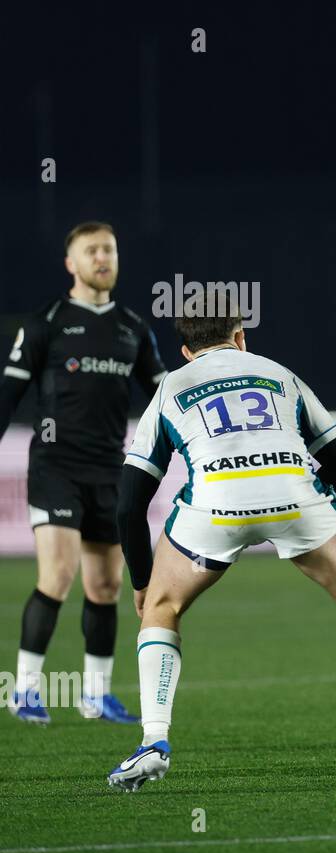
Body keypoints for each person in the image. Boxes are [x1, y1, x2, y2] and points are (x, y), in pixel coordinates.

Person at [106, 296, 336, 790]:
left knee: (161, 612)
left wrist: (143, 583)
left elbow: (129, 502)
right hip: (295, 494)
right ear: (241, 337)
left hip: (213, 507)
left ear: (188, 351)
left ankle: (153, 742)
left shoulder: (172, 385)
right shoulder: (279, 373)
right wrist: (300, 508)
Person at [1, 222, 167, 725]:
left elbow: (164, 397)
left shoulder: (133, 329)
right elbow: (7, 399)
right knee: (58, 575)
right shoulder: (45, 323)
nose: (102, 257)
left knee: (106, 588)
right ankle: (24, 689)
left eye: (109, 250)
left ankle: (94, 694)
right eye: (91, 250)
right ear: (71, 263)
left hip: (109, 471)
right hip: (55, 466)